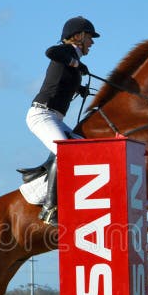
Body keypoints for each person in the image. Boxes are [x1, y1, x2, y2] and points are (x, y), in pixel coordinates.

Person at [25, 16, 99, 226]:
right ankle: (50, 208)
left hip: (55, 118)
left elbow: (61, 81)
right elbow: (50, 51)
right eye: (90, 37)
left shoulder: (73, 58)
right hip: (41, 115)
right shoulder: (66, 52)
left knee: (84, 146)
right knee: (66, 152)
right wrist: (75, 63)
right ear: (78, 37)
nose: (92, 43)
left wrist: (80, 88)